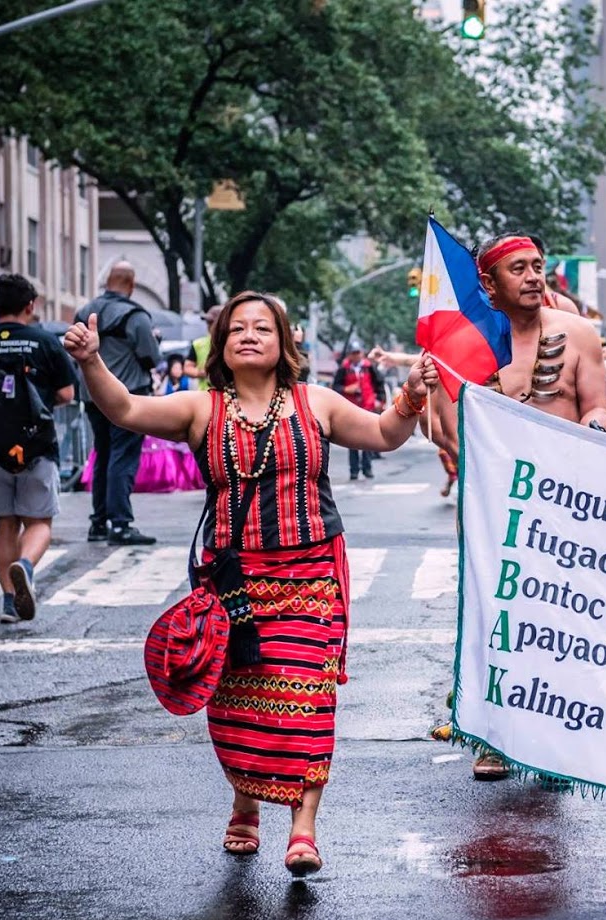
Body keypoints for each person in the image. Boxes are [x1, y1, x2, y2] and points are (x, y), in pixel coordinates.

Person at [62, 291, 440, 876]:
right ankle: (245, 803)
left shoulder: (317, 402)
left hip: (312, 573)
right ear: (221, 345)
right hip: (235, 581)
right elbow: (127, 410)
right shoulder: (201, 409)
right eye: (237, 328)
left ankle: (303, 827)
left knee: (308, 698)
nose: (249, 335)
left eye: (262, 327)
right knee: (240, 703)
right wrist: (91, 361)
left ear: (283, 342)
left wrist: (412, 394)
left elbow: (386, 434)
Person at [425, 232, 606, 778]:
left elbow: (596, 406)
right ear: (488, 283)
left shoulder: (578, 333)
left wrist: (595, 431)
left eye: (537, 265)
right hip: (493, 501)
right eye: (518, 269)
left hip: (564, 502)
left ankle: (551, 739)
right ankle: (494, 735)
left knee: (559, 616)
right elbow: (446, 428)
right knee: (495, 614)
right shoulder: (460, 344)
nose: (533, 276)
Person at [0, 274, 76, 623]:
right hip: (36, 447)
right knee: (39, 522)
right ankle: (26, 565)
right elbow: (67, 394)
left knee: (6, 524)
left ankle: (9, 601)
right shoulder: (45, 342)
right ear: (30, 306)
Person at [76, 261, 160, 544]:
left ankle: (99, 523)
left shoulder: (85, 312)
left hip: (92, 396)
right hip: (128, 397)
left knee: (102, 455)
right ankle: (121, 524)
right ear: (132, 285)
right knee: (123, 457)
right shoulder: (136, 315)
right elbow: (151, 357)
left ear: (107, 281)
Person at [331, 343, 386, 479]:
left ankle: (367, 468)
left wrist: (380, 400)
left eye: (358, 353)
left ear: (361, 353)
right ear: (349, 355)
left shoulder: (369, 367)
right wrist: (346, 389)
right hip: (351, 408)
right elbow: (335, 387)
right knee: (352, 441)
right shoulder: (344, 369)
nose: (356, 356)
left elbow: (379, 384)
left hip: (368, 406)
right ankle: (354, 470)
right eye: (353, 353)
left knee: (368, 439)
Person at [188, 305, 221, 386]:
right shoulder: (198, 344)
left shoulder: (232, 343)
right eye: (208, 322)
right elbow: (187, 367)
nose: (209, 326)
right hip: (205, 391)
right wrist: (201, 372)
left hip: (229, 391)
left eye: (212, 322)